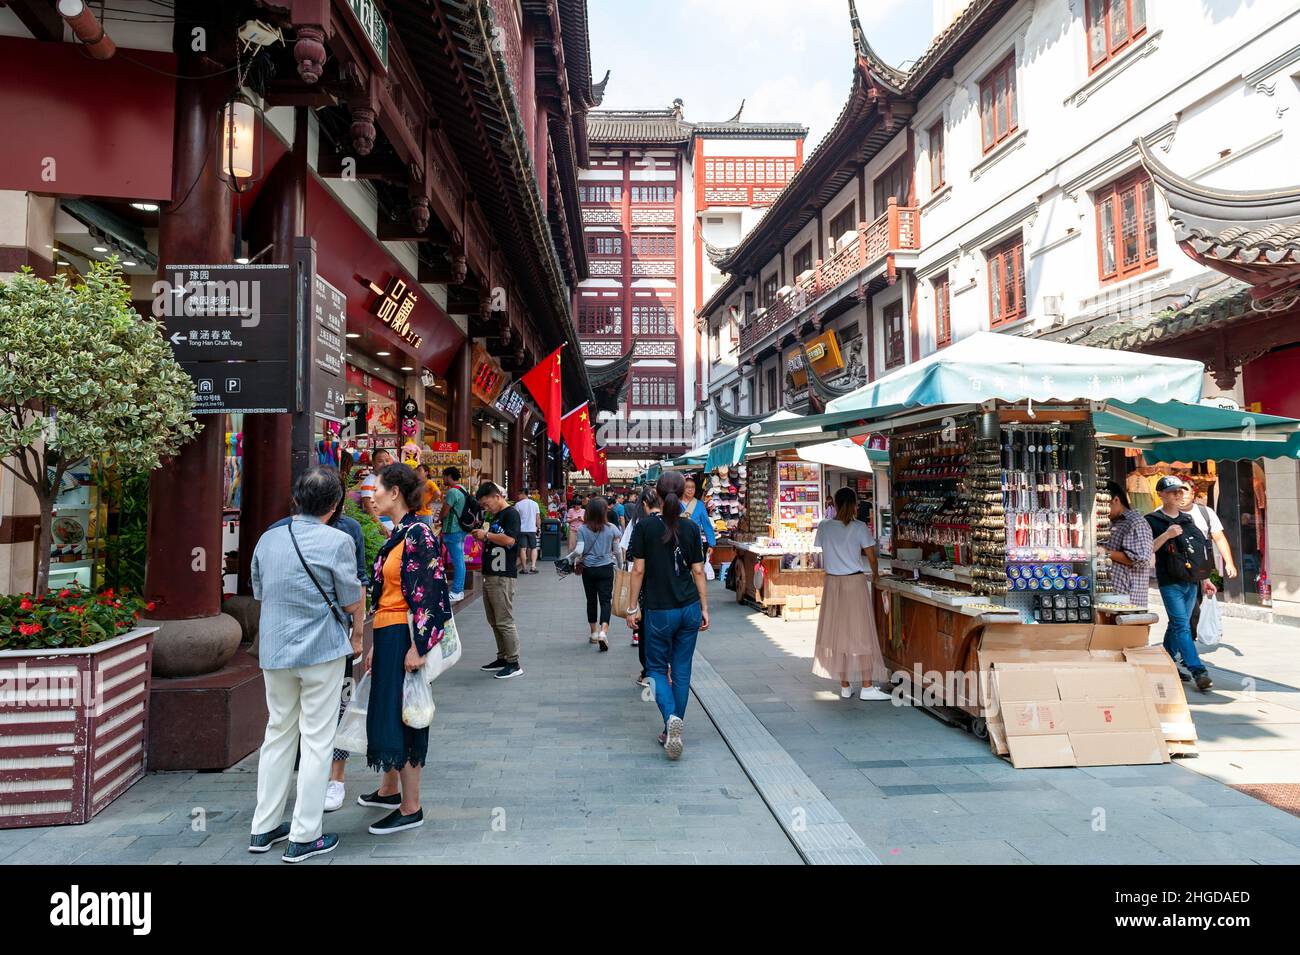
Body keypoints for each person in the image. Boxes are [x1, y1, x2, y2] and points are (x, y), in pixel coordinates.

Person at [249, 467, 365, 862]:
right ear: (334, 505)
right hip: (321, 651)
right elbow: (351, 599)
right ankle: (304, 834)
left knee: (278, 732)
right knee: (317, 739)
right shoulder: (338, 541)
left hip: (276, 651)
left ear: (296, 499)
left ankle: (263, 827)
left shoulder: (268, 539)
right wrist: (359, 634)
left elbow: (260, 590)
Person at [360, 462, 452, 835]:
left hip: (404, 635)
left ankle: (410, 806)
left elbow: (432, 592)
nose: (372, 496)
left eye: (377, 489)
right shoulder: (400, 532)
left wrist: (419, 646)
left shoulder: (418, 534)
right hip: (388, 632)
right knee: (388, 711)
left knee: (405, 715)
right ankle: (389, 789)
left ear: (395, 492)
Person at [625, 471, 710, 760]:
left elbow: (638, 570)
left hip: (659, 611)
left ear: (657, 494)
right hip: (688, 608)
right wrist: (704, 607)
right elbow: (698, 570)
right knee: (682, 670)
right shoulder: (689, 528)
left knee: (657, 669)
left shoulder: (645, 527)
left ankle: (671, 720)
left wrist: (632, 607)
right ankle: (673, 726)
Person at [812, 487, 891, 701]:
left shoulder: (825, 526)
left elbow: (820, 552)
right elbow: (872, 557)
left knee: (838, 634)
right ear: (855, 504)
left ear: (834, 504)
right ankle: (866, 686)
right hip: (854, 583)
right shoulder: (859, 527)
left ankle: (844, 685)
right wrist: (875, 575)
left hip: (832, 583)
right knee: (861, 633)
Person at [1145, 476, 1214, 692]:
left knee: (1176, 625)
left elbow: (1196, 553)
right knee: (1182, 625)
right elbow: (1148, 549)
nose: (1178, 495)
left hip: (1191, 580)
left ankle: (1163, 664)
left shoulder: (1187, 519)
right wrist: (1167, 535)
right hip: (1169, 581)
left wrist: (1206, 578)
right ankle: (1198, 670)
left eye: (1180, 491)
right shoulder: (1152, 520)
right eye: (1173, 491)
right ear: (1161, 494)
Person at [474, 482, 524, 679]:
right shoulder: (495, 516)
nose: (485, 508)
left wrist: (486, 535)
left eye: (486, 503)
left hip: (503, 575)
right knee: (494, 620)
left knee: (504, 620)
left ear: (497, 496)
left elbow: (510, 540)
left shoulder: (511, 514)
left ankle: (514, 662)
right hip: (491, 574)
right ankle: (502, 657)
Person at [1179, 481, 1238, 641]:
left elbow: (1219, 538)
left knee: (1193, 608)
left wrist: (1229, 563)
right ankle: (1183, 646)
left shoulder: (1205, 512)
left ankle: (1186, 644)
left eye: (1186, 492)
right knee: (1181, 611)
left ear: (1193, 494)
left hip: (1198, 569)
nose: (1182, 496)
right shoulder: (1163, 513)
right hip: (1174, 569)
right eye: (1178, 492)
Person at [621, 487, 660, 684]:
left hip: (646, 587)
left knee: (645, 630)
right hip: (672, 589)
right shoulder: (679, 523)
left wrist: (631, 606)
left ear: (643, 504)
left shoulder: (639, 524)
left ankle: (648, 673)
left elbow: (630, 556)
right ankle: (665, 670)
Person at [575, 496, 623, 651]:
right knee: (605, 601)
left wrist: (571, 560)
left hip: (589, 570)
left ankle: (594, 633)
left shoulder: (582, 529)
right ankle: (604, 632)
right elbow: (617, 552)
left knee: (591, 600)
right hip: (606, 568)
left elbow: (579, 551)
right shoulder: (612, 529)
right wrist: (621, 567)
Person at [1105, 480, 1154, 610]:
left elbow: (1140, 559)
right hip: (1112, 594)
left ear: (1116, 500)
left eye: (1103, 505)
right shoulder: (1112, 522)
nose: (1101, 511)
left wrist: (1105, 552)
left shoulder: (1135, 522)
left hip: (1128, 598)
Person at [440, 465, 468, 603]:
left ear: (449, 476)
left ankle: (457, 590)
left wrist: (439, 518)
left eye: (444, 476)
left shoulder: (452, 492)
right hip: (461, 529)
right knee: (459, 561)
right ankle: (459, 589)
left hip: (453, 530)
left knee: (458, 561)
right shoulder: (463, 489)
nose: (443, 479)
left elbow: (445, 512)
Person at [681, 474, 716, 566]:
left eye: (693, 487)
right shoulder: (675, 504)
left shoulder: (699, 505)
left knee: (697, 571)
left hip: (695, 543)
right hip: (678, 544)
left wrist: (711, 544)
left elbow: (706, 525)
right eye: (687, 487)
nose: (690, 489)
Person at [515, 486, 541, 574]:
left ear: (523, 494)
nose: (518, 496)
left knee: (523, 549)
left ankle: (524, 568)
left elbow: (516, 519)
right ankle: (533, 566)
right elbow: (538, 518)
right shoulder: (535, 504)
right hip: (532, 529)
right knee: (534, 548)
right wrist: (539, 528)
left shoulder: (518, 505)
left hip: (522, 530)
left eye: (519, 494)